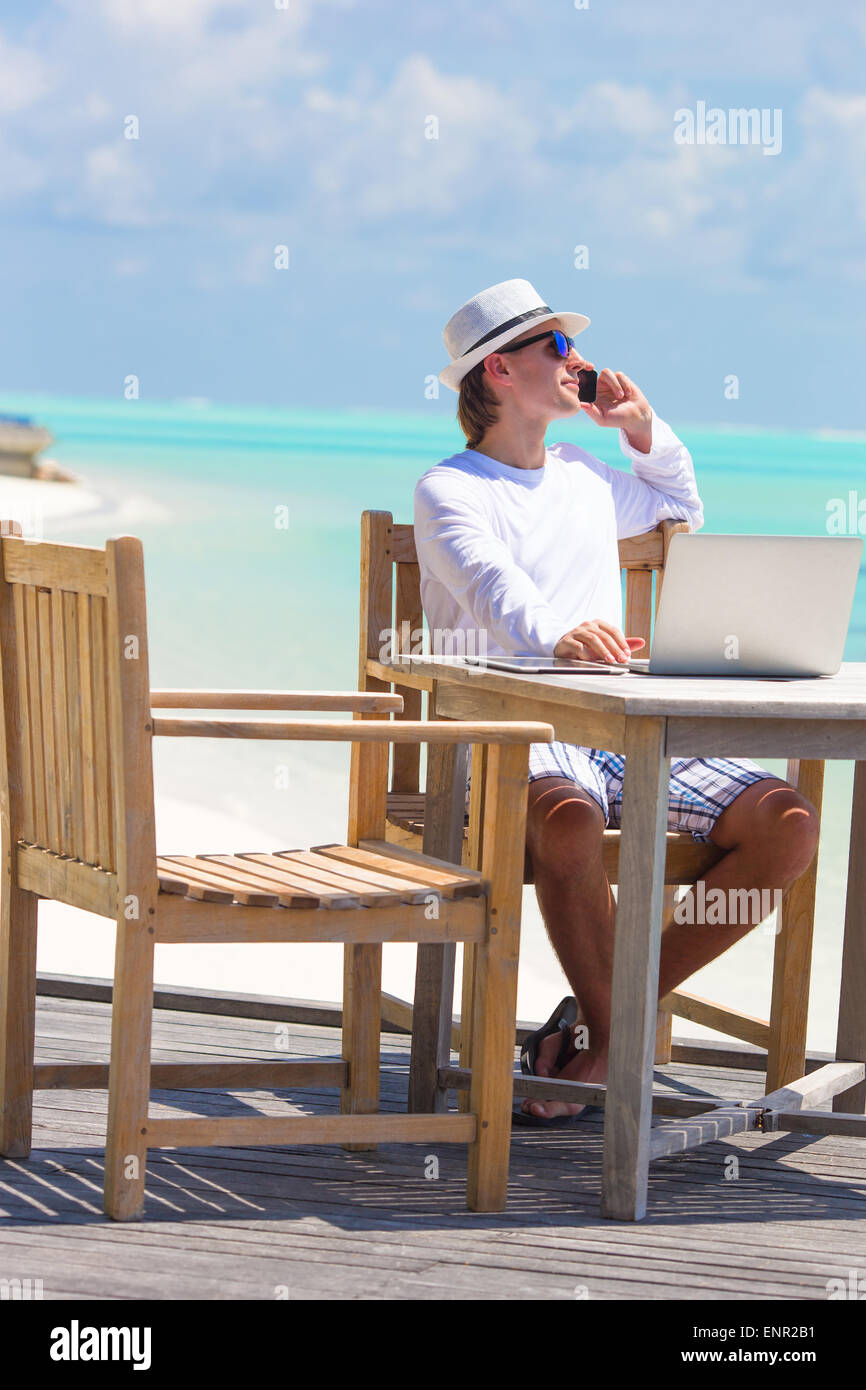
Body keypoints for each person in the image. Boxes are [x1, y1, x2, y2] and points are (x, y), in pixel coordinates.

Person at [414, 278, 819, 1123]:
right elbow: (494, 590)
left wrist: (640, 431)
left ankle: (600, 1033)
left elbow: (681, 510)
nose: (577, 362)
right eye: (555, 348)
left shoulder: (589, 478)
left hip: (618, 735)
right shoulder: (449, 490)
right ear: (497, 373)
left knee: (786, 826)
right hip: (512, 729)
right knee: (566, 820)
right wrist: (559, 636)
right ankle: (617, 1040)